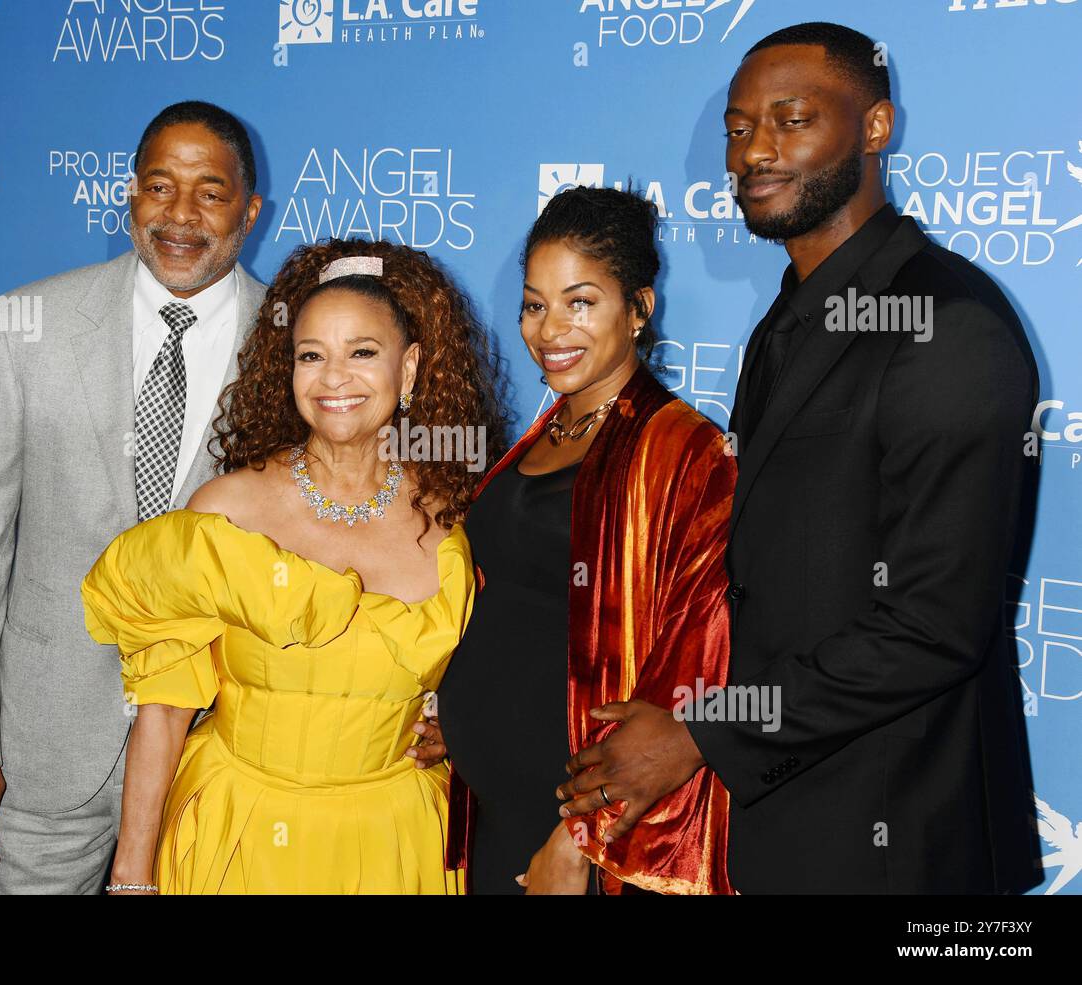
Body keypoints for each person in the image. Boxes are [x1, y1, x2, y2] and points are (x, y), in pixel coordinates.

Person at [556, 22, 1042, 894]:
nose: (755, 152)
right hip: (784, 821)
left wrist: (703, 734)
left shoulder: (946, 324)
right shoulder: (788, 318)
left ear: (876, 127)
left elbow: (933, 623)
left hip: (903, 838)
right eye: (738, 130)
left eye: (791, 120)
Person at [80, 239, 506, 894]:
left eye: (362, 352)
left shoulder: (458, 516)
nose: (334, 378)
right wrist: (132, 876)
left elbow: (516, 673)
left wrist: (467, 724)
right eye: (312, 355)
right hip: (236, 836)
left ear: (412, 367)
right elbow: (163, 713)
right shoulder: (229, 508)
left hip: (397, 845)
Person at [0, 100, 268, 894]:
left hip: (217, 758)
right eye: (159, 186)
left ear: (249, 211)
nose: (180, 215)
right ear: (129, 196)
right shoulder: (25, 327)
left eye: (210, 192)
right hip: (40, 760)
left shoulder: (298, 348)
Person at [437, 186, 736, 895]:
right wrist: (460, 712)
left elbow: (693, 666)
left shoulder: (685, 453)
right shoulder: (541, 436)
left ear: (639, 308)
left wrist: (583, 844)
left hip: (591, 842)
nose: (550, 329)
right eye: (535, 304)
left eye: (581, 302)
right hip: (498, 813)